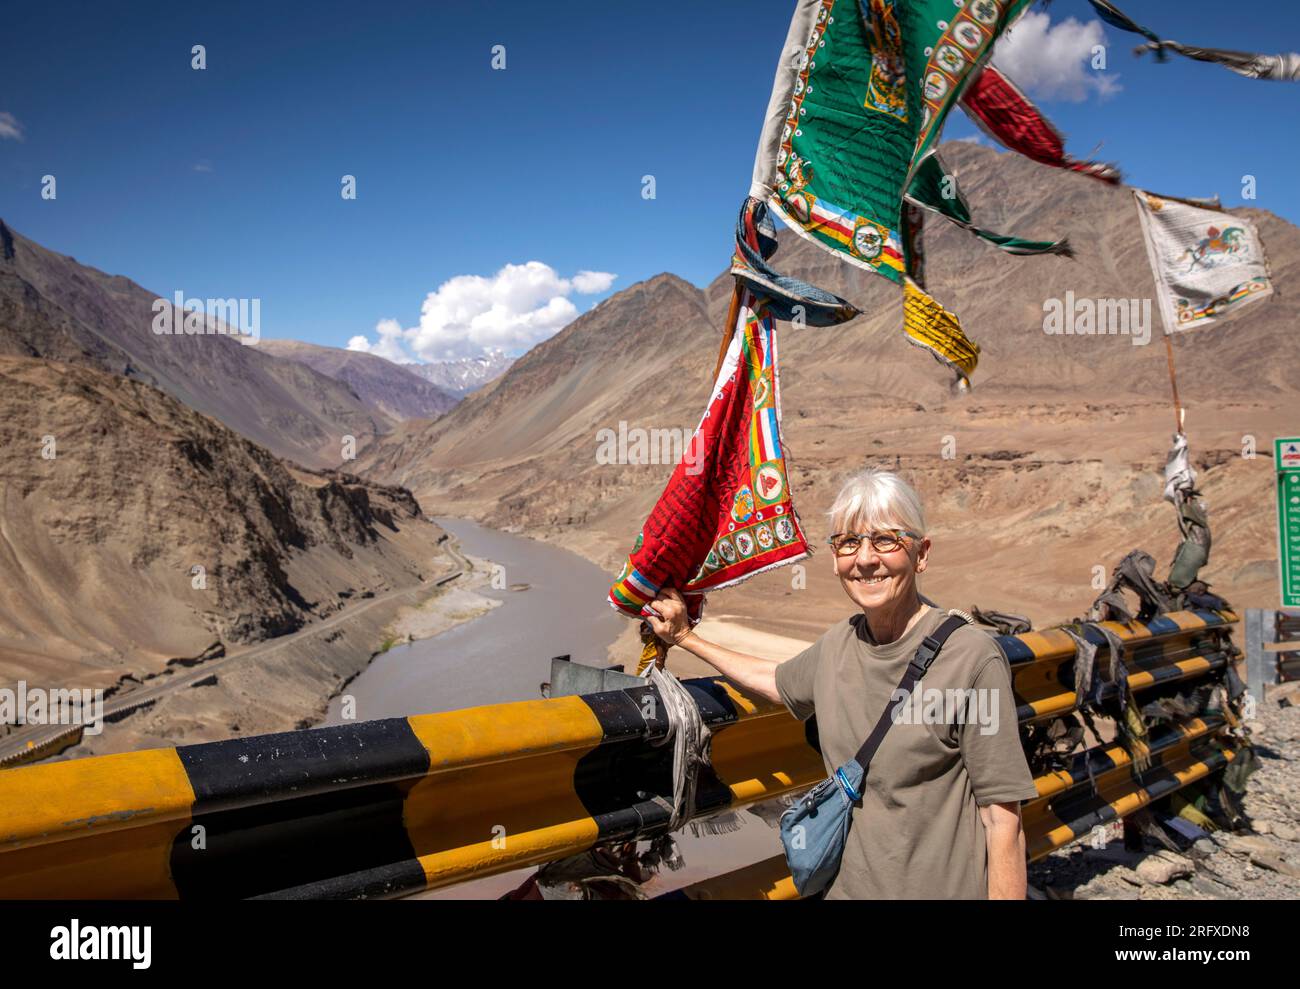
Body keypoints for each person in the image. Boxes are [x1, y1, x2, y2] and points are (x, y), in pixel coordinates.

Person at [645, 467, 1039, 899]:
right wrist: (686, 638)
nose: (865, 559)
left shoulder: (971, 659)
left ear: (921, 554)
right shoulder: (838, 645)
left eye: (885, 539)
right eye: (849, 542)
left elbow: (1003, 821)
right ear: (835, 560)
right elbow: (777, 681)